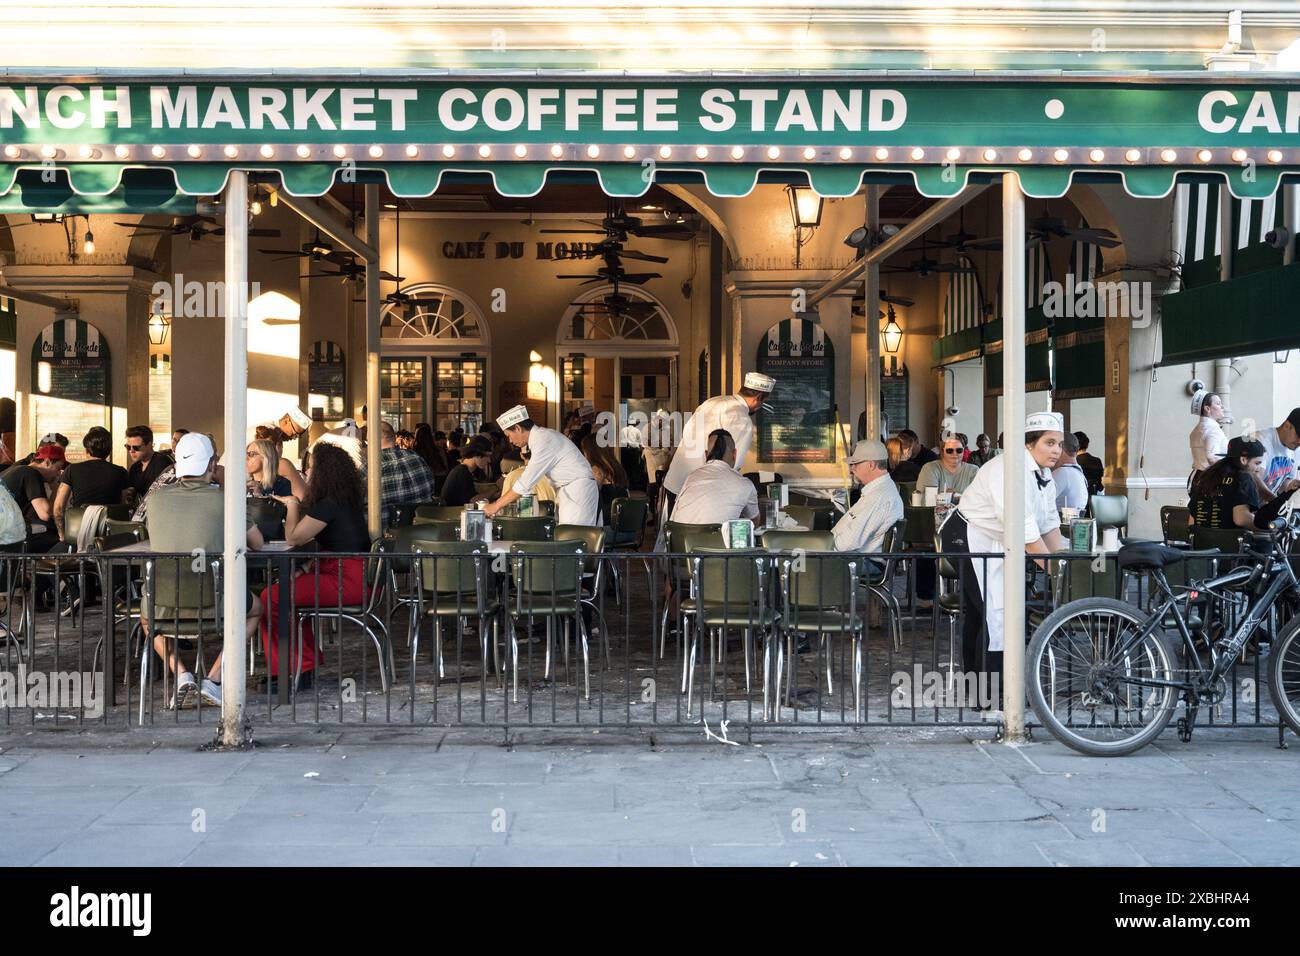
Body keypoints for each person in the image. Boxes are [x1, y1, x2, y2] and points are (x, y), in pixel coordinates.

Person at [940, 412, 1067, 701]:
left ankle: (978, 692)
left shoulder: (1044, 475)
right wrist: (1058, 571)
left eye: (1059, 444)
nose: (1056, 450)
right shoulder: (1008, 471)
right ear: (1029, 444)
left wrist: (1064, 561)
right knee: (995, 613)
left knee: (982, 612)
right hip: (970, 534)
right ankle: (993, 696)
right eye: (1049, 443)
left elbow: (1049, 526)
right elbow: (1026, 534)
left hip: (998, 538)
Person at [143, 432, 264, 708]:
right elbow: (257, 543)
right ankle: (214, 678)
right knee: (256, 609)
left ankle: (183, 674)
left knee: (147, 620)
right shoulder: (226, 501)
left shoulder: (155, 500)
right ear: (212, 464)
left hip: (165, 604)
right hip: (217, 603)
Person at [256, 440, 371, 690]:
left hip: (346, 580)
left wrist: (292, 506)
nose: (307, 473)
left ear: (323, 472)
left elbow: (294, 537)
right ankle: (300, 666)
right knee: (286, 595)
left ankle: (289, 671)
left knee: (272, 597)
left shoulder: (329, 504)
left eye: (310, 468)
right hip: (351, 576)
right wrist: (306, 569)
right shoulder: (343, 500)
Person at [661, 372, 774, 515]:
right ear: (758, 398)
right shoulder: (742, 419)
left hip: (676, 482)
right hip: (701, 492)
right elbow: (732, 465)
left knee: (674, 533)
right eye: (762, 402)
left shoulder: (711, 402)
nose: (759, 407)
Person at [486, 405, 600, 526]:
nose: (510, 440)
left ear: (518, 428)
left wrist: (495, 506)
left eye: (508, 435)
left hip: (578, 492)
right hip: (572, 491)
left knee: (574, 538)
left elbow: (526, 482)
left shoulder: (544, 440)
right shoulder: (541, 438)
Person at [53, 426, 130, 542]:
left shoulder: (72, 470)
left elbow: (58, 508)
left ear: (86, 449)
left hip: (77, 535)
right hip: (109, 537)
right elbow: (123, 505)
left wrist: (62, 535)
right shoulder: (121, 472)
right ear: (109, 450)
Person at [668, 429, 759, 526]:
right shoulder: (744, 484)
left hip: (678, 538)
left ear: (706, 454)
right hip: (717, 540)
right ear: (734, 454)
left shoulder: (691, 477)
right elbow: (754, 523)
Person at [832, 440, 905, 559]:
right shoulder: (879, 491)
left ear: (871, 465)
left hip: (859, 563)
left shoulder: (878, 497)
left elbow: (847, 543)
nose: (852, 469)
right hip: (856, 559)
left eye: (856, 464)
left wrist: (822, 545)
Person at [1189, 436, 1265, 530]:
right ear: (1243, 460)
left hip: (1198, 541)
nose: (1258, 469)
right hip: (1229, 542)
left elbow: (1191, 520)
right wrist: (1266, 525)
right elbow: (1241, 519)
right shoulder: (1243, 478)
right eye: (1257, 463)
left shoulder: (1206, 476)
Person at [1, 444, 66, 552]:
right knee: (62, 543)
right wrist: (56, 488)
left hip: (5, 533)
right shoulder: (31, 473)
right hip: (8, 537)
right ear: (48, 462)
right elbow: (45, 514)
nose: (58, 474)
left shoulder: (14, 470)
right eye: (58, 468)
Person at [370, 421, 435, 523]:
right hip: (422, 532)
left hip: (385, 535)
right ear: (394, 437)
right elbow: (431, 490)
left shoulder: (370, 467)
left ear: (372, 439)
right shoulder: (417, 459)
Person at [581, 433, 628, 525]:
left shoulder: (596, 470)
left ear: (591, 452)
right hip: (625, 526)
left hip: (607, 529)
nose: (583, 455)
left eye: (584, 451)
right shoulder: (618, 468)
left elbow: (590, 496)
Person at [1253, 407, 1300, 500]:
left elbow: (1284, 482)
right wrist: (1276, 504)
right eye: (1299, 436)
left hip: (1267, 507)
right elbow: (1255, 479)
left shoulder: (1295, 447)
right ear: (1287, 426)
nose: (1299, 442)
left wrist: (1291, 485)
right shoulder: (1261, 440)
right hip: (1249, 508)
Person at [251, 425, 308, 498]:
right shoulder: (281, 463)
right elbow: (303, 495)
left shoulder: (256, 466)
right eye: (269, 447)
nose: (274, 450)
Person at [916, 435, 980, 499]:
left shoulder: (973, 470)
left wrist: (955, 495)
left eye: (959, 450)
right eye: (949, 450)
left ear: (964, 450)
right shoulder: (930, 469)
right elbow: (929, 499)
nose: (955, 453)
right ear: (942, 451)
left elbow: (979, 498)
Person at [440, 435, 493, 507]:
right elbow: (472, 501)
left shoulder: (467, 470)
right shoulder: (462, 472)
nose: (489, 460)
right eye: (487, 456)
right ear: (476, 454)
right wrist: (496, 488)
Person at [124, 425, 174, 501]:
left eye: (136, 447)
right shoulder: (134, 468)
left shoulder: (162, 463)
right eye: (128, 447)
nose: (131, 451)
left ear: (149, 445)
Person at [1189, 391, 1228, 480]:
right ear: (1207, 408)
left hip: (1196, 477)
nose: (1222, 407)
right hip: (1211, 480)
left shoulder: (1195, 430)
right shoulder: (1213, 430)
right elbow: (1212, 458)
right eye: (1218, 404)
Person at [1052, 432, 1090, 512]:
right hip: (1075, 522)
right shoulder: (1080, 474)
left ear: (1061, 449)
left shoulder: (1063, 472)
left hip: (1060, 522)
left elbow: (1039, 501)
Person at [1074, 431, 1105, 496]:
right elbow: (1100, 480)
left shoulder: (1074, 462)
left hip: (1080, 496)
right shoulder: (1097, 460)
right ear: (1087, 444)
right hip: (1096, 496)